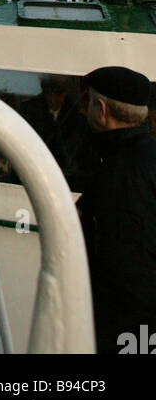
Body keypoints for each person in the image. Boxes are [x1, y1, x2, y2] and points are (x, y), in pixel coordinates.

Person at [76, 65, 156, 355]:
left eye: (87, 102)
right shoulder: (148, 158)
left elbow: (126, 272)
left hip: (128, 333)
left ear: (101, 108)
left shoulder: (115, 176)